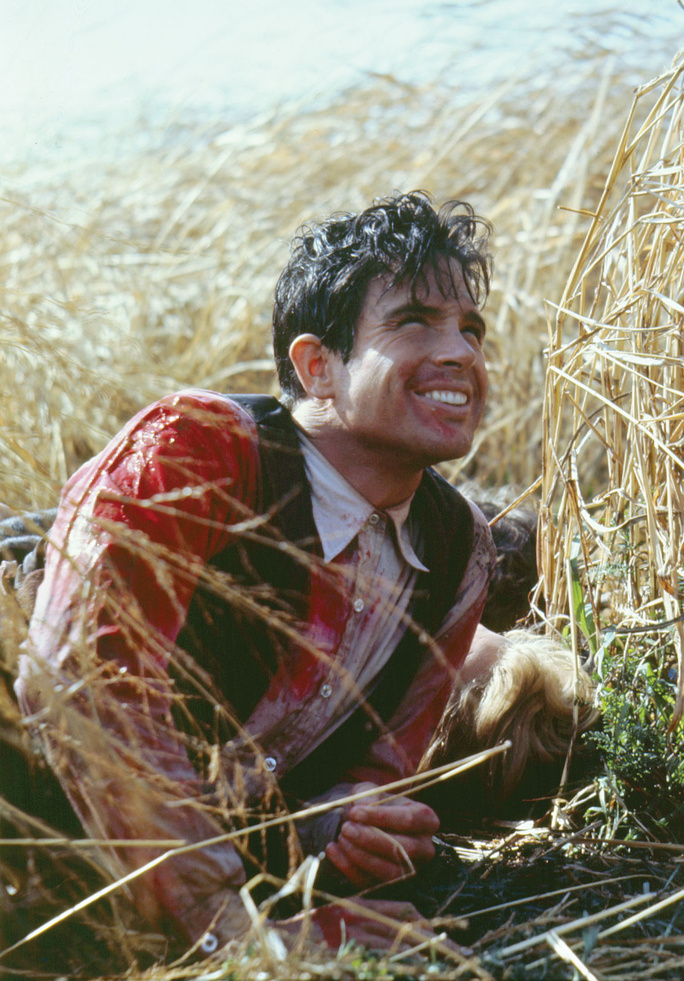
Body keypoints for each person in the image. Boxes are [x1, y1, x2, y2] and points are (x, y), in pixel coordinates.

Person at [14, 191, 497, 956]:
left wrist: (343, 828)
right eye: (414, 321)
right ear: (318, 367)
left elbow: (371, 770)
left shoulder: (458, 548)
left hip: (130, 881)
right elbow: (76, 684)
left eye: (471, 328)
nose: (463, 353)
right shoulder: (196, 449)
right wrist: (237, 932)